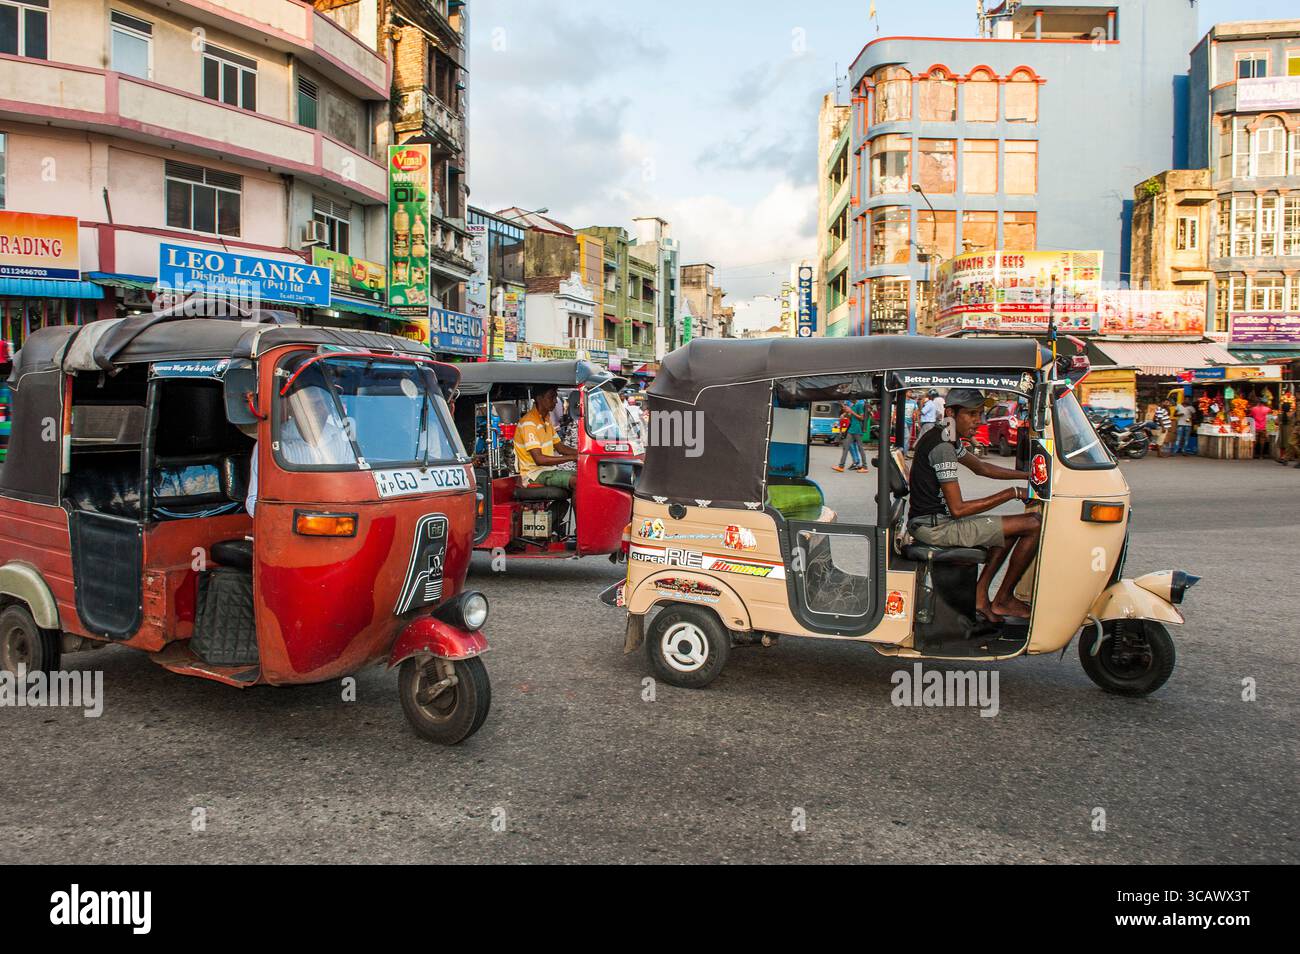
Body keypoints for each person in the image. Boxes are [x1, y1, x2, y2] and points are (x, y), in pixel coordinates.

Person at [908, 388, 1041, 622]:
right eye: (971, 414)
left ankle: (982, 597)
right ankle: (1002, 600)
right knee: (1033, 524)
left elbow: (982, 468)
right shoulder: (943, 447)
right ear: (950, 412)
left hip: (936, 521)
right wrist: (1012, 493)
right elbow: (959, 509)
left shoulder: (946, 435)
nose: (977, 421)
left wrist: (1026, 475)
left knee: (1010, 530)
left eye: (979, 414)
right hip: (935, 528)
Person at [246, 385, 356, 516]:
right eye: (308, 405)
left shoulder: (342, 439)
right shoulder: (271, 444)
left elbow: (352, 488)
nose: (315, 411)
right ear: (293, 409)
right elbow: (253, 502)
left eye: (320, 404)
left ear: (328, 408)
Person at [514, 384, 578, 491]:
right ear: (539, 399)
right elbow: (539, 460)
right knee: (578, 482)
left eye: (555, 397)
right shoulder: (529, 423)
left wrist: (582, 454)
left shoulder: (546, 419)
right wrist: (572, 458)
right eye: (551, 397)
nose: (555, 401)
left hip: (548, 471)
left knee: (586, 478)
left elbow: (560, 448)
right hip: (533, 475)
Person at [833, 398, 868, 473]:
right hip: (851, 429)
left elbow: (861, 418)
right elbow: (851, 417)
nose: (850, 400)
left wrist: (851, 411)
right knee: (845, 446)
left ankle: (865, 467)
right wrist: (845, 415)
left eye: (851, 399)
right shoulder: (853, 405)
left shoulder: (859, 405)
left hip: (857, 430)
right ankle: (841, 466)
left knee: (860, 448)